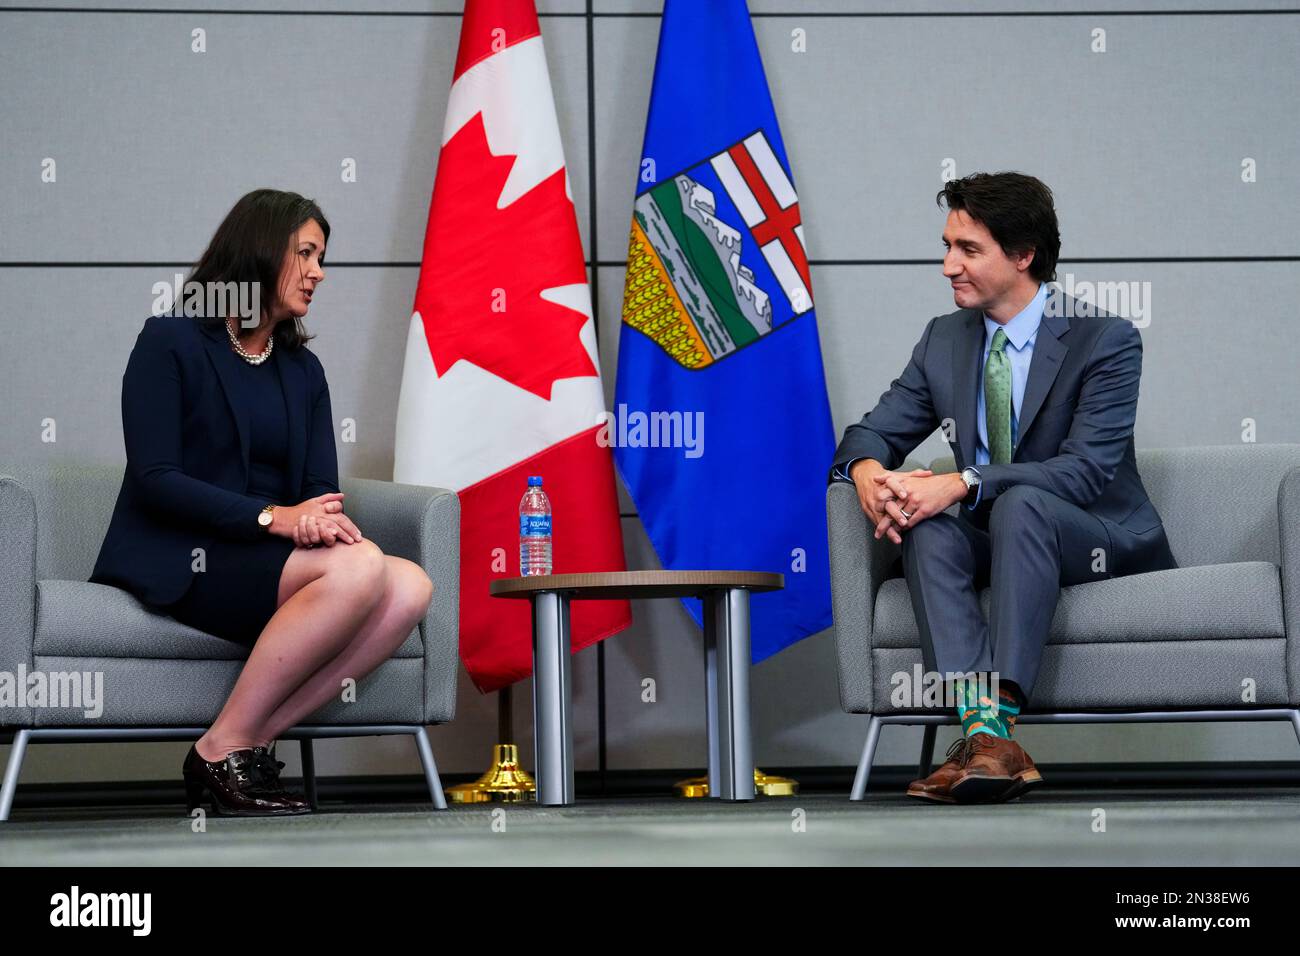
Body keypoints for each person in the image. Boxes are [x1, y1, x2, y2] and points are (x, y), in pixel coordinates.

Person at [830, 172, 1177, 805]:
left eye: (968, 249)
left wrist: (963, 481)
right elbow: (872, 432)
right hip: (999, 533)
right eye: (947, 246)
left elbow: (1084, 471)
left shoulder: (1104, 338)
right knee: (927, 524)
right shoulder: (944, 338)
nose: (947, 265)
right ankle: (988, 740)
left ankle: (991, 736)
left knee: (1017, 504)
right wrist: (868, 475)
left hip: (1092, 535)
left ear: (1023, 255)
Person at [90, 189, 435, 816]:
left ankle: (246, 743)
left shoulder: (303, 370)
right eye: (305, 253)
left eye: (322, 257)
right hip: (185, 551)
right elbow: (156, 477)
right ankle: (220, 748)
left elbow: (319, 490)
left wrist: (319, 523)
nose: (318, 272)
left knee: (411, 584)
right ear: (259, 249)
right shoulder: (170, 341)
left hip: (267, 557)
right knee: (362, 568)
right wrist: (273, 518)